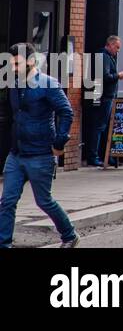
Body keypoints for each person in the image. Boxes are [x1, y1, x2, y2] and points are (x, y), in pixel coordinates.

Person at [0, 44, 78, 248]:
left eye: (17, 63)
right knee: (7, 201)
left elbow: (66, 112)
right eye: (11, 64)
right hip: (16, 154)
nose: (14, 68)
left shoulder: (48, 84)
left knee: (44, 201)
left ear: (32, 61)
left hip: (41, 154)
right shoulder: (13, 84)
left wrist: (60, 142)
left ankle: (69, 235)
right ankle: (4, 243)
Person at [87, 35, 123, 167]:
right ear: (109, 44)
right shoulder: (103, 56)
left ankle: (105, 156)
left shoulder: (107, 56)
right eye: (117, 47)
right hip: (104, 97)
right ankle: (94, 157)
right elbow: (104, 76)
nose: (118, 50)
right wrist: (118, 75)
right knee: (99, 127)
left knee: (104, 127)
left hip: (107, 96)